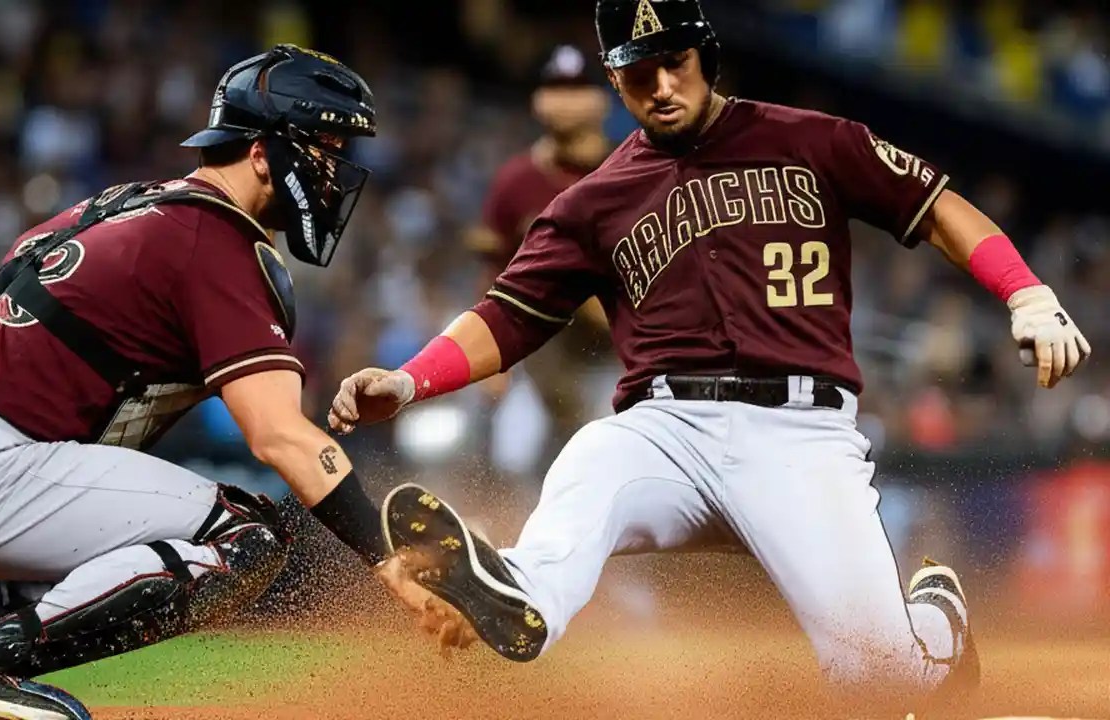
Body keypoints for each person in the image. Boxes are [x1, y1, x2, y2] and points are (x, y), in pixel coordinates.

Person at [328, 0, 1091, 710]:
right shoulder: (595, 200)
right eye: (636, 71)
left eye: (674, 61)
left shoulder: (812, 139)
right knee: (595, 456)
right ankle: (518, 588)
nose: (659, 85)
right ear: (613, 78)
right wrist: (409, 377)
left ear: (706, 55)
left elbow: (936, 206)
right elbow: (509, 314)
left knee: (876, 681)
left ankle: (936, 628)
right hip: (668, 428)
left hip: (801, 435)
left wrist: (1024, 293)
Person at [0, 45, 451, 720]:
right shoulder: (215, 238)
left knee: (135, 541)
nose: (334, 172)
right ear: (260, 153)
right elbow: (279, 437)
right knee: (243, 537)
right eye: (324, 149)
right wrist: (389, 558)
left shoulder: (130, 204)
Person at [467, 44, 613, 471]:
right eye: (553, 88)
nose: (563, 100)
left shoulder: (631, 169)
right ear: (536, 101)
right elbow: (492, 272)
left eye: (577, 88)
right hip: (541, 358)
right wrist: (489, 360)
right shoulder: (516, 181)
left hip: (614, 358)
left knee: (607, 465)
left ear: (604, 98)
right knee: (512, 460)